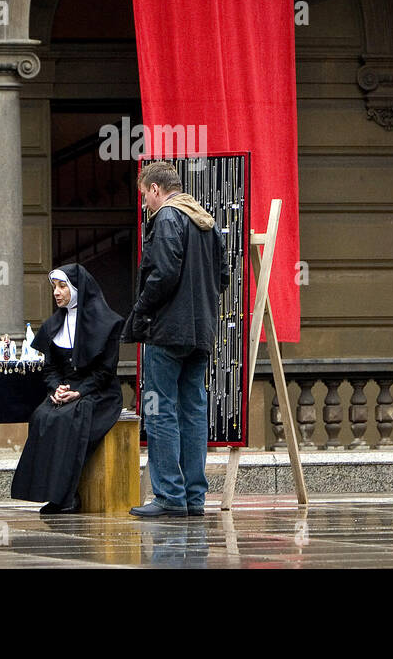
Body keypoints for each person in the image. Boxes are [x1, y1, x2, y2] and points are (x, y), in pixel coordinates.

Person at [121, 160, 228, 518]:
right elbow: (223, 277)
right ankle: (194, 498)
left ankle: (168, 496)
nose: (145, 204)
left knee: (160, 410)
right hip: (201, 333)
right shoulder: (205, 220)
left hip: (166, 332)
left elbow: (163, 273)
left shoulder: (167, 217)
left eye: (144, 196)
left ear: (154, 189)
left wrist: (140, 309)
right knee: (194, 411)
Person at [11, 263, 124, 514]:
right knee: (42, 416)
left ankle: (68, 496)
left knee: (72, 417)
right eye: (54, 287)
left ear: (77, 289)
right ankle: (50, 493)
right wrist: (56, 389)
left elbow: (105, 371)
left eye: (63, 286)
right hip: (66, 389)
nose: (56, 292)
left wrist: (80, 391)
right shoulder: (53, 324)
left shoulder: (108, 323)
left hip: (99, 392)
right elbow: (50, 369)